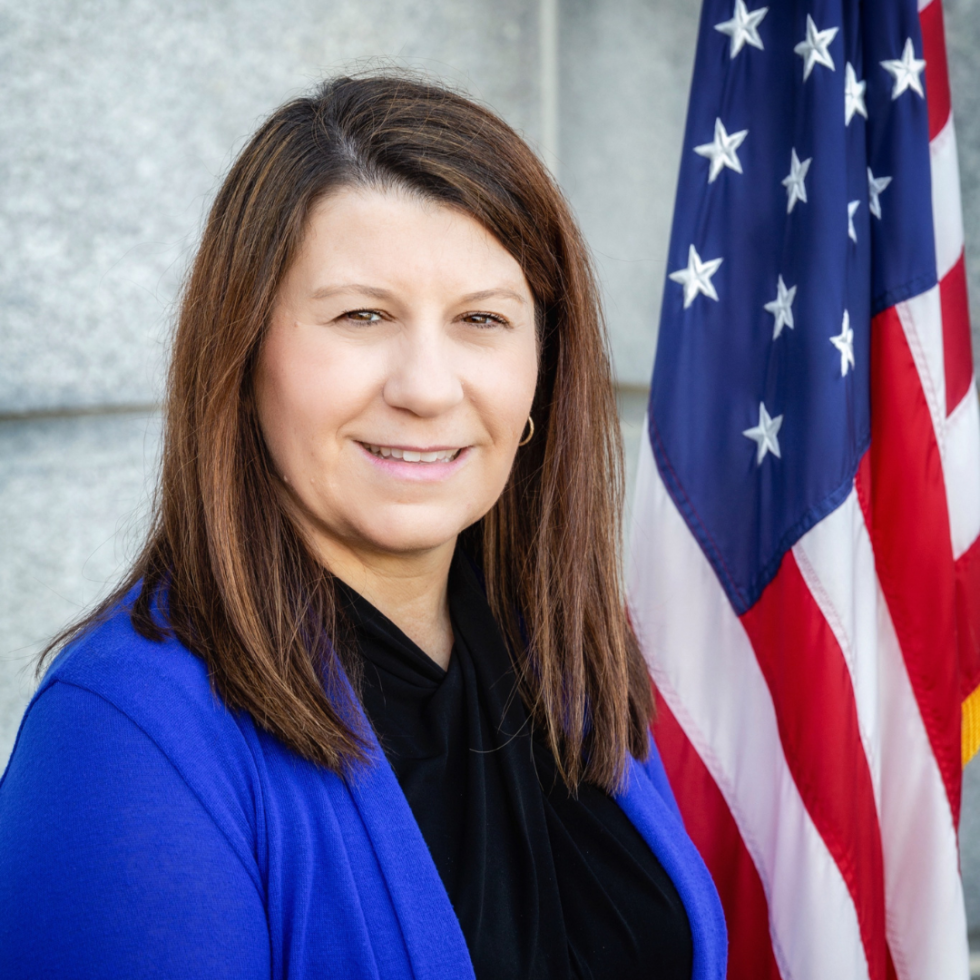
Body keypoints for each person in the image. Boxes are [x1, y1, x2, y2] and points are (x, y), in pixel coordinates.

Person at [0, 75, 726, 979]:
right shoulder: (125, 737)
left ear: (544, 367)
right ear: (243, 352)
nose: (426, 387)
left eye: (483, 320)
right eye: (363, 315)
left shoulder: (569, 652)